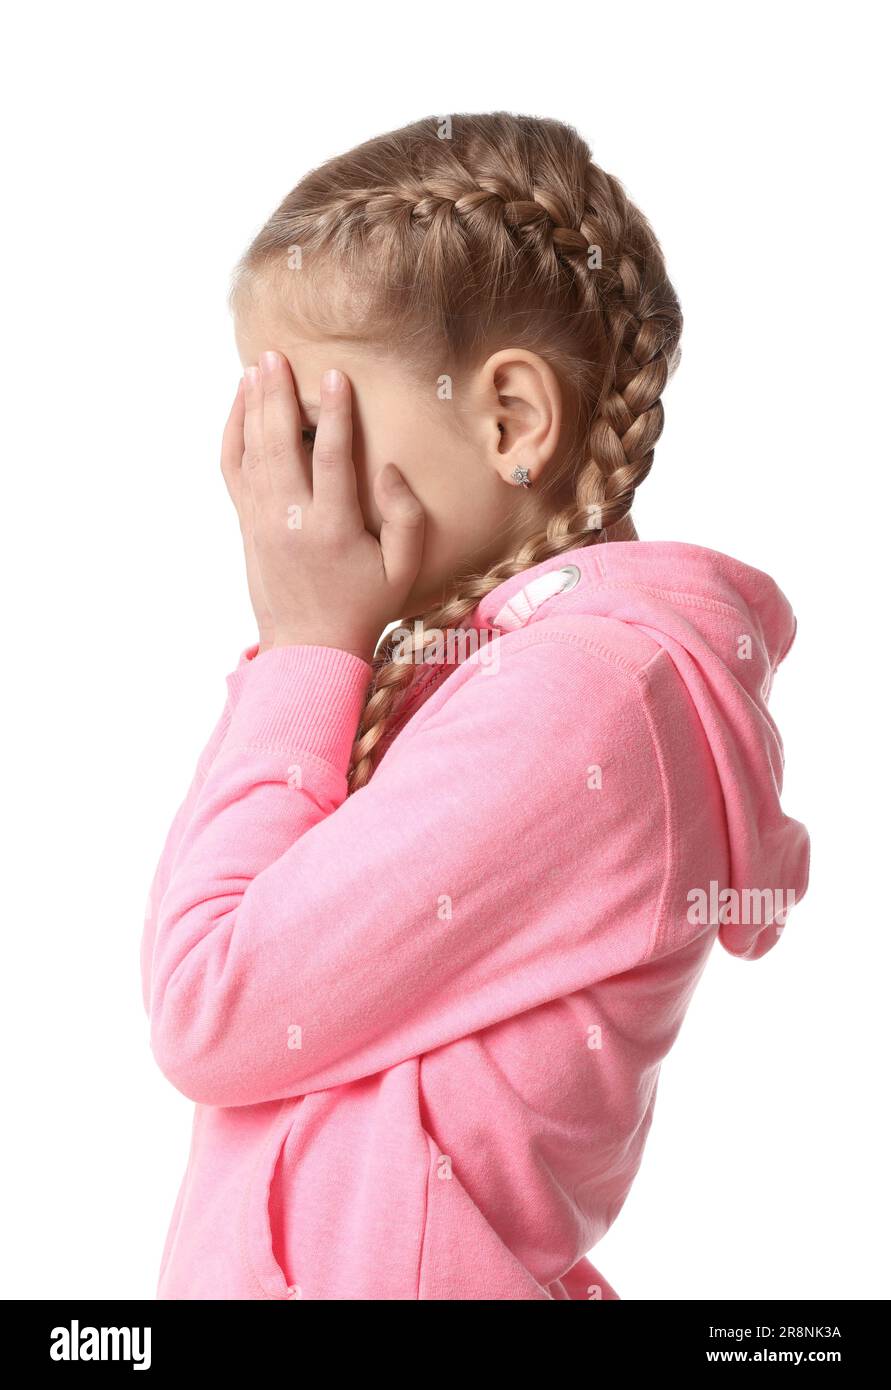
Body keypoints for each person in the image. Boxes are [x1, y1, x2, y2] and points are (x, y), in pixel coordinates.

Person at [140, 112, 809, 1300]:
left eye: (308, 423)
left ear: (508, 420)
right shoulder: (479, 674)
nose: (270, 479)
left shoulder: (585, 702)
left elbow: (209, 1000)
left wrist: (302, 644)